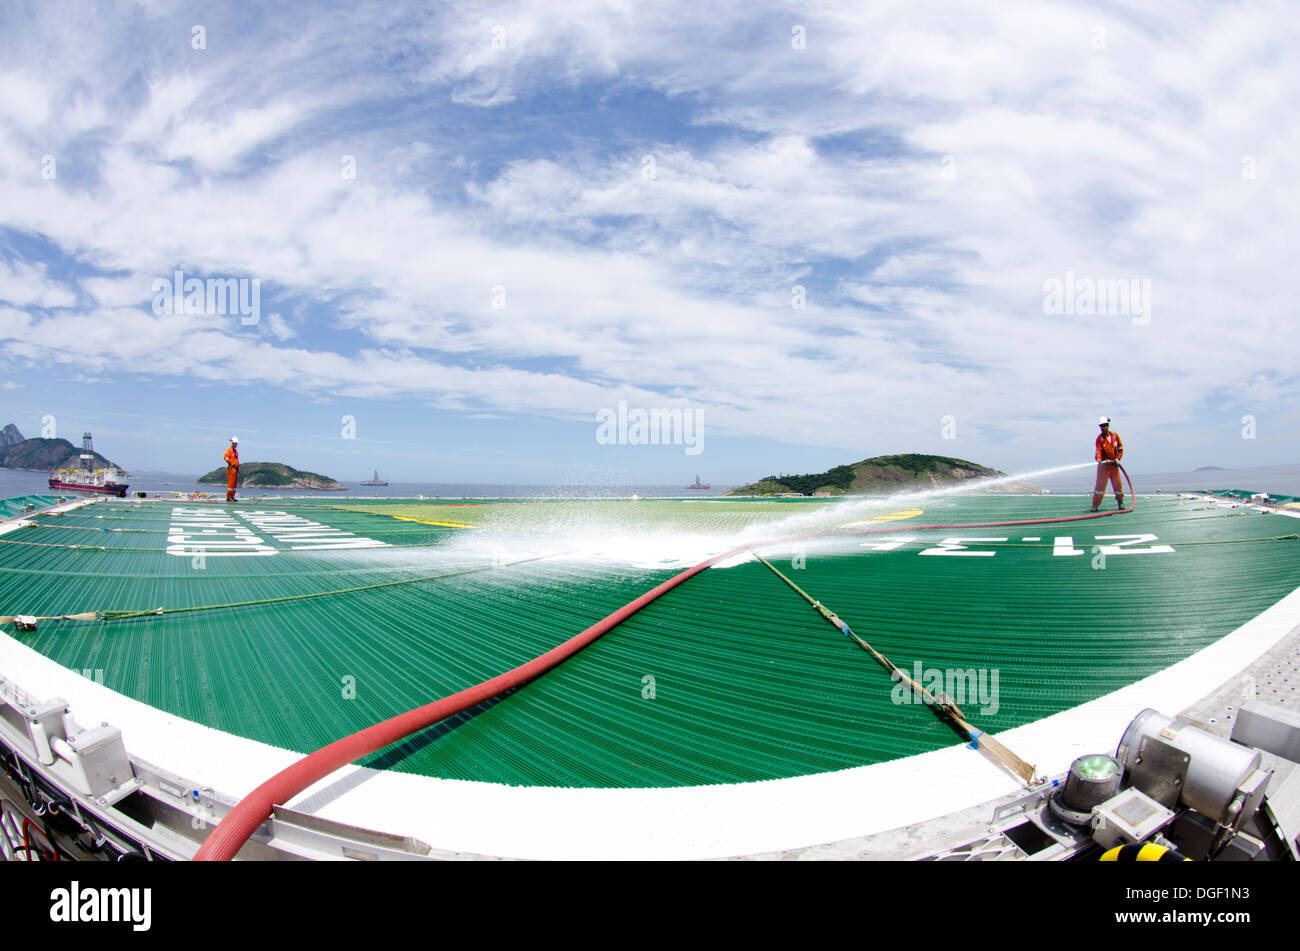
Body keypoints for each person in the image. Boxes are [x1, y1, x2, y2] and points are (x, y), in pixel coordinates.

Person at [1091, 417, 1124, 511]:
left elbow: (1120, 448)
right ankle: (1095, 506)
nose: (1103, 428)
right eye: (1101, 426)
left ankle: (1120, 503)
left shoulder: (1115, 435)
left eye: (1105, 426)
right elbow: (1098, 451)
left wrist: (1118, 458)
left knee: (1118, 485)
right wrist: (1099, 460)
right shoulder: (1099, 439)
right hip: (1104, 467)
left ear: (1108, 425)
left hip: (1114, 465)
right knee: (1100, 487)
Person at [223, 436, 239, 502]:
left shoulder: (235, 451)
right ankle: (228, 496)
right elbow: (225, 457)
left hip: (235, 469)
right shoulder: (229, 450)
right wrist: (230, 462)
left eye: (236, 444)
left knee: (234, 484)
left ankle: (232, 496)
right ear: (232, 443)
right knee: (230, 484)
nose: (236, 445)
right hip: (231, 469)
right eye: (235, 443)